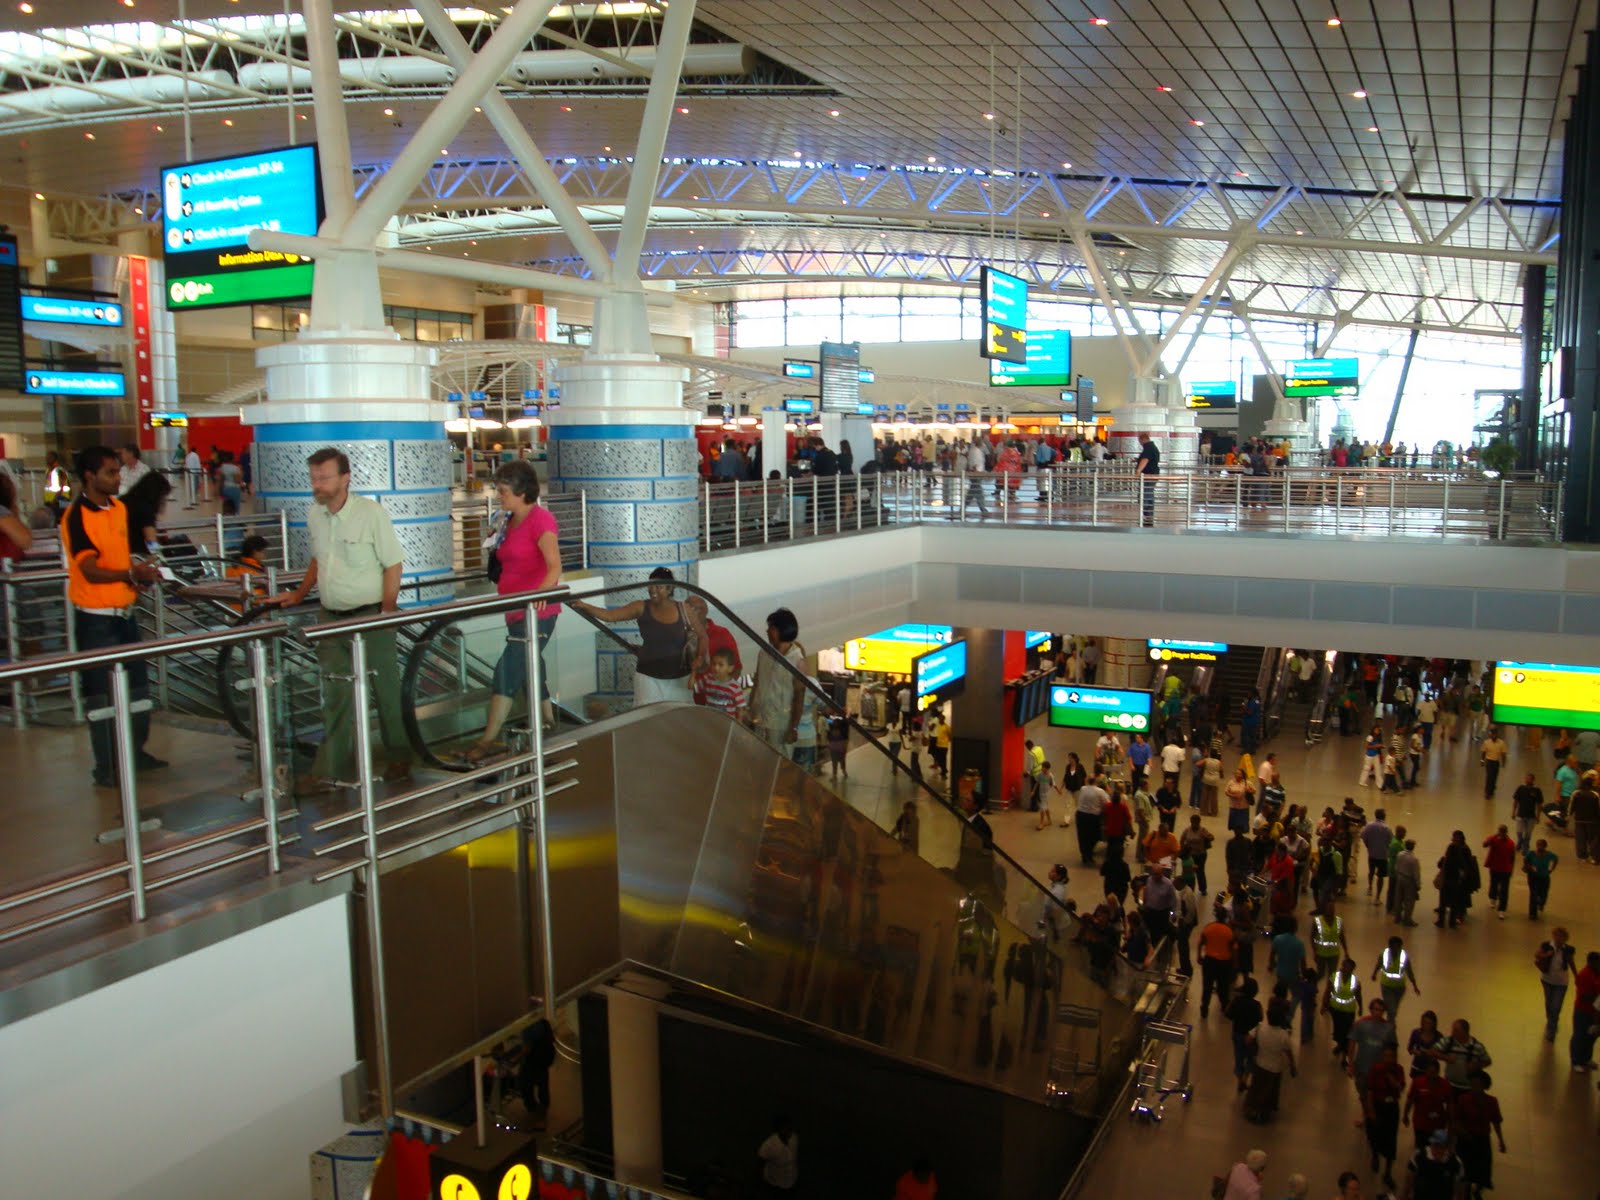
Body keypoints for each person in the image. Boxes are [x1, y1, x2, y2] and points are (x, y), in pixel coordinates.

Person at [270, 448, 411, 793]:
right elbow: (319, 559)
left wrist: (387, 612)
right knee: (335, 693)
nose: (317, 485)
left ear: (345, 478)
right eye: (314, 478)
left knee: (385, 690)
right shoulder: (315, 514)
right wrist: (299, 594)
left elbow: (393, 564)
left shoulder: (370, 514)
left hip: (370, 616)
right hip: (330, 620)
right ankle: (327, 771)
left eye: (324, 478)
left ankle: (400, 756)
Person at [62, 447, 165, 789]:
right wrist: (130, 574)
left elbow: (118, 561)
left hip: (125, 614)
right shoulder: (76, 516)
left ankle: (135, 752)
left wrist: (137, 577)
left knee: (138, 688)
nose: (118, 478)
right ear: (89, 476)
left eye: (118, 471)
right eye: (110, 472)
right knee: (102, 696)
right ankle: (107, 766)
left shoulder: (118, 509)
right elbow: (89, 570)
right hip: (96, 620)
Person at [461, 461, 562, 762]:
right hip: (514, 610)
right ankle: (548, 721)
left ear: (521, 492)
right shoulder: (506, 520)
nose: (498, 496)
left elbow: (554, 566)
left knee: (507, 669)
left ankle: (488, 740)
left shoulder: (540, 520)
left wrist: (539, 595)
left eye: (503, 491)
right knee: (531, 666)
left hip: (537, 613)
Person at [573, 567, 707, 707]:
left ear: (670, 588)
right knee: (647, 717)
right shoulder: (641, 607)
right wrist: (584, 605)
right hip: (648, 678)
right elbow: (609, 616)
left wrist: (700, 657)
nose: (652, 590)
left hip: (679, 679)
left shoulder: (684, 610)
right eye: (650, 586)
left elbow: (703, 636)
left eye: (658, 586)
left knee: (678, 717)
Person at [1452, 1071, 1504, 1198]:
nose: (1474, 1087)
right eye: (1473, 1083)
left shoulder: (1492, 1101)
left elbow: (1496, 1121)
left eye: (1478, 1084)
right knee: (1466, 1169)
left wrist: (1501, 1140)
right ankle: (1466, 1192)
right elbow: (1457, 1119)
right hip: (1466, 1139)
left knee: (1483, 1169)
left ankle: (1478, 1189)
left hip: (1482, 1140)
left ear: (1485, 1086)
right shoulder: (1464, 1099)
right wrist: (1460, 1132)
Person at [1364, 1042, 1406, 1190]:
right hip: (1378, 1105)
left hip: (1391, 1107)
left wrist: (1392, 1079)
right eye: (1386, 1056)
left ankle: (1388, 1173)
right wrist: (1371, 1111)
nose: (1388, 1059)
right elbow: (1370, 1091)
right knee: (1375, 1134)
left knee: (1391, 1139)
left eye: (1391, 1056)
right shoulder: (1376, 1069)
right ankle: (1375, 1154)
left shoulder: (1398, 1070)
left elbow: (1400, 1088)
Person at [1346, 997, 1398, 1116]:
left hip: (1379, 1071)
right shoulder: (1361, 1024)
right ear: (1371, 1010)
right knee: (1363, 1094)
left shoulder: (1389, 1029)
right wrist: (1350, 1064)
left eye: (1381, 1010)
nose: (1378, 1013)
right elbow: (1352, 1043)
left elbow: (1393, 1050)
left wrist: (1392, 1069)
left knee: (1376, 1096)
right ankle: (1367, 1116)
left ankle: (1371, 1116)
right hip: (1362, 1068)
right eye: (1376, 1009)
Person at [1243, 1007, 1297, 1123]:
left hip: (1260, 1064)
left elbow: (1248, 1040)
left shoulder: (1260, 1028)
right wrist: (1293, 1066)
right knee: (1270, 1091)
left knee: (1256, 1088)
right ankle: (1265, 1112)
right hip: (1275, 1068)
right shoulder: (1283, 1035)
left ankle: (1252, 1109)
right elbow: (1288, 1052)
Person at [1402, 1056, 1454, 1154]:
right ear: (1426, 1071)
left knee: (1436, 1153)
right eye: (1430, 1072)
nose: (1432, 1075)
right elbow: (1410, 1100)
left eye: (1434, 1072)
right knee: (1421, 1151)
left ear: (1438, 1072)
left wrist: (1451, 1123)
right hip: (1421, 1124)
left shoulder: (1445, 1085)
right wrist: (1405, 1115)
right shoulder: (1417, 1082)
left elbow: (1450, 1105)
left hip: (1438, 1125)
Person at [1534, 926, 1576, 1042]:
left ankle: (1551, 1028)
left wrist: (1576, 975)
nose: (1558, 939)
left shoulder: (1568, 950)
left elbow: (1571, 962)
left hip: (1561, 982)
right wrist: (1546, 955)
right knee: (1549, 1003)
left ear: (1565, 939)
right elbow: (1537, 954)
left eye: (1561, 937)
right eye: (1556, 936)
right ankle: (1551, 1021)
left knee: (1556, 1006)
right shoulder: (1546, 945)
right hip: (1547, 980)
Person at [1400, 1130, 1465, 1200]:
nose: (1438, 1149)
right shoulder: (1419, 1155)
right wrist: (1404, 1196)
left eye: (1441, 1146)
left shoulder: (1455, 1162)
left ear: (1446, 1147)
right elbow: (1409, 1179)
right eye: (1435, 1145)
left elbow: (1460, 1187)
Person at [1371, 935, 1421, 1025]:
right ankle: (1390, 1025)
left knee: (1394, 1008)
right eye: (1393, 947)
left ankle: (1389, 1021)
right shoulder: (1384, 954)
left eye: (1398, 947)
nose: (1395, 949)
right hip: (1386, 986)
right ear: (1389, 946)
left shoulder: (1404, 956)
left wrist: (1415, 986)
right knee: (1392, 1009)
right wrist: (1374, 974)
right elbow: (1379, 964)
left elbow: (1409, 971)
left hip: (1400, 988)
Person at [1199, 903, 1237, 1017]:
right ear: (1225, 917)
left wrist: (1199, 956)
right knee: (1223, 986)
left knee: (1207, 986)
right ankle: (1224, 1006)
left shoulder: (1208, 928)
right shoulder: (1229, 931)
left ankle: (1204, 1007)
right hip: (1224, 963)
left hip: (1209, 961)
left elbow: (1201, 942)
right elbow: (1234, 949)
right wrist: (1235, 963)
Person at [1432, 1018, 1491, 1092]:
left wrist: (1476, 1065)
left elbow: (1487, 1061)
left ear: (1464, 1031)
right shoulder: (1449, 1041)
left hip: (1469, 1087)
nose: (1452, 1032)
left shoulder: (1477, 1046)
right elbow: (1432, 1051)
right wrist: (1446, 1058)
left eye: (1456, 1030)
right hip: (1450, 1084)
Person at [1226, 980, 1264, 1094]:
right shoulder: (1257, 1005)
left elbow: (1228, 1014)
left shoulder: (1237, 1001)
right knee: (1251, 1058)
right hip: (1250, 1036)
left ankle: (1239, 1080)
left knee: (1239, 1057)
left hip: (1237, 1033)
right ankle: (1245, 1078)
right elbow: (1260, 1018)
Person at [1434, 831, 1476, 929]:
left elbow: (1440, 865)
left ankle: (1441, 921)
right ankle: (1452, 922)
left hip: (1446, 881)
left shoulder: (1446, 859)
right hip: (1456, 882)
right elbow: (1466, 867)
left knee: (1443, 901)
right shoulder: (1460, 859)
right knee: (1455, 902)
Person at [517, 1019, 556, 1118]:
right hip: (545, 1058)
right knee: (543, 1083)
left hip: (533, 1061)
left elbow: (527, 1048)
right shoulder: (543, 1022)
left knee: (525, 1083)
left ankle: (531, 1107)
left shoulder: (528, 1027)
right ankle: (544, 1105)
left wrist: (518, 1056)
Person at [1323, 957, 1363, 1054]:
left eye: (1349, 968)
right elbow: (1328, 991)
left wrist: (1361, 1007)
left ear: (1352, 969)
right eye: (1345, 966)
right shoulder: (1334, 977)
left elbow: (1358, 995)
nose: (1346, 969)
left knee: (1347, 1030)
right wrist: (1324, 1004)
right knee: (1338, 1029)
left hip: (1349, 1010)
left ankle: (1344, 1052)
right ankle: (1339, 1044)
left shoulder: (1355, 981)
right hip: (1335, 1009)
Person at [1571, 950, 1600, 1071]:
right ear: (1591, 962)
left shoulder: (1597, 973)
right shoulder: (1584, 974)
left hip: (1595, 1011)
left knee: (1591, 1036)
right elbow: (1584, 996)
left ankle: (1586, 1058)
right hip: (1583, 1011)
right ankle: (1576, 1061)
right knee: (1580, 1035)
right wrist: (1597, 998)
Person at [1479, 825, 1516, 918]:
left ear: (1506, 832)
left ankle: (1502, 909)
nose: (1501, 833)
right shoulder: (1493, 839)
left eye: (1503, 831)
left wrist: (1511, 870)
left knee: (1504, 890)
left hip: (1505, 869)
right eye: (1500, 831)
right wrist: (1494, 837)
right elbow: (1484, 844)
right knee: (1494, 884)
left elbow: (1512, 858)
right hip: (1494, 867)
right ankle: (1493, 898)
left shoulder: (1511, 843)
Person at [756, 1114, 798, 1196]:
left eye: (790, 1128)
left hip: (792, 1180)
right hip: (776, 1184)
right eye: (785, 1128)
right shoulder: (769, 1145)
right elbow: (760, 1163)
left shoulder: (794, 1138)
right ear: (778, 1130)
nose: (789, 1131)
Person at [1074, 772, 1109, 866]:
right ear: (1096, 781)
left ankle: (1085, 855)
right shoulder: (1100, 791)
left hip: (1081, 815)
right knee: (1094, 835)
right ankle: (1089, 853)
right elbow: (1107, 803)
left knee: (1082, 837)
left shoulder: (1083, 789)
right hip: (1093, 817)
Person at [1522, 835, 1557, 919]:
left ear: (1545, 846)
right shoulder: (1531, 853)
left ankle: (1541, 904)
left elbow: (1556, 859)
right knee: (1533, 895)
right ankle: (1532, 914)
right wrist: (1530, 867)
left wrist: (1552, 869)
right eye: (1538, 845)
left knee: (1543, 894)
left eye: (1541, 845)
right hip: (1533, 877)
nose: (1539, 847)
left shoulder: (1549, 855)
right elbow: (1525, 860)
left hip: (1544, 877)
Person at [1360, 809, 1392, 900]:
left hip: (1372, 854)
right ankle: (1377, 896)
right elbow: (1390, 841)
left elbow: (1363, 837)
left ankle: (1370, 887)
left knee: (1371, 871)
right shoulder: (1387, 828)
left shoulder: (1369, 826)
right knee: (1380, 877)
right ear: (1384, 816)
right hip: (1383, 855)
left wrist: (1368, 846)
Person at [1571, 771, 1600, 863]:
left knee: (1580, 839)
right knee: (1593, 839)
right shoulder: (1595, 794)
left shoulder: (1576, 793)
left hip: (1579, 820)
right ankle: (1594, 857)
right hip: (1592, 821)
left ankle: (1582, 857)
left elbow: (1571, 806)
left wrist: (1568, 816)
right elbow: (1598, 807)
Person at [1393, 838, 1423, 926]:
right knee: (1409, 901)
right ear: (1413, 847)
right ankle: (1407, 919)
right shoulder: (1414, 859)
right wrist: (1418, 885)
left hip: (1400, 877)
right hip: (1409, 880)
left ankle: (1397, 917)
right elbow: (1416, 873)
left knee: (1398, 898)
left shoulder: (1399, 854)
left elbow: (1396, 867)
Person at [1510, 772, 1542, 854]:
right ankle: (1520, 842)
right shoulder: (1520, 788)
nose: (1528, 780)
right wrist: (1513, 812)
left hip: (1531, 816)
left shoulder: (1537, 790)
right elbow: (1516, 801)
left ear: (1533, 780)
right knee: (1519, 832)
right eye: (1526, 778)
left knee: (1528, 834)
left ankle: (1525, 847)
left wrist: (1538, 816)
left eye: (1530, 779)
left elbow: (1539, 804)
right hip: (1520, 814)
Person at [1134, 432, 1159, 526]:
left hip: (1148, 475)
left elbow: (1145, 459)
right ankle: (1149, 515)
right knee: (1149, 494)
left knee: (1145, 494)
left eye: (1139, 441)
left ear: (1143, 439)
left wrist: (1138, 471)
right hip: (1153, 474)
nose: (1140, 443)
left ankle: (1146, 514)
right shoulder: (1153, 447)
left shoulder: (1148, 448)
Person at [1478, 727, 1508, 799]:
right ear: (1490, 734)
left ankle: (1492, 789)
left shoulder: (1501, 743)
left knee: (1494, 777)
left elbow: (1503, 754)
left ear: (1497, 734)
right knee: (1489, 777)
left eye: (1495, 734)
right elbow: (1483, 752)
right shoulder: (1486, 742)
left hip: (1496, 762)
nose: (1493, 736)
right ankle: (1487, 792)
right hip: (1489, 761)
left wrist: (1504, 763)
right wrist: (1482, 761)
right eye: (1492, 734)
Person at [43, 449, 70, 516]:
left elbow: (63, 483)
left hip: (60, 500)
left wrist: (56, 498)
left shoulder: (58, 470)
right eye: (47, 457)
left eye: (49, 457)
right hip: (51, 501)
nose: (47, 459)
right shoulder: (49, 470)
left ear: (55, 459)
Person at [182, 443, 201, 507]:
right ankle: (194, 493)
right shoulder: (196, 455)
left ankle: (192, 492)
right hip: (195, 471)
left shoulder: (188, 455)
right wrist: (199, 471)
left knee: (191, 482)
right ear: (195, 450)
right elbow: (198, 464)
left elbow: (186, 463)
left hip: (188, 471)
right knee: (195, 483)